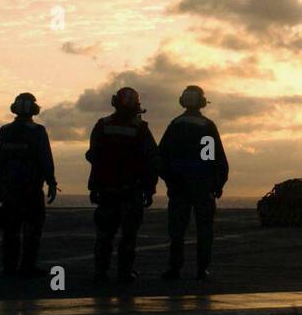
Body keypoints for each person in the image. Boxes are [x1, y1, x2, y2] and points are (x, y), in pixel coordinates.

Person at [86, 87, 159, 284]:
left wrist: (94, 187)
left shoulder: (102, 125)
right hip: (131, 191)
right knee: (128, 236)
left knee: (104, 236)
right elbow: (152, 160)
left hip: (106, 190)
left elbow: (93, 156)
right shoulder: (141, 129)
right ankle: (125, 272)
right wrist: (150, 189)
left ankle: (100, 272)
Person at [158, 86, 228, 280]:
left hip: (179, 187)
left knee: (177, 231)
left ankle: (174, 268)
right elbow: (215, 157)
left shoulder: (175, 125)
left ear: (182, 101)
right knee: (204, 230)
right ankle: (201, 269)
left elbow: (161, 156)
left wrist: (170, 180)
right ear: (202, 102)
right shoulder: (206, 126)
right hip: (202, 186)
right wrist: (217, 183)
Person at [0, 92, 57, 277]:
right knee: (33, 230)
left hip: (10, 189)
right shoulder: (38, 131)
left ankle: (9, 268)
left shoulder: (5, 131)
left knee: (10, 231)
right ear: (34, 109)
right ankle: (27, 267)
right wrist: (51, 182)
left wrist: (0, 185)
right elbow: (45, 159)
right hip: (31, 190)